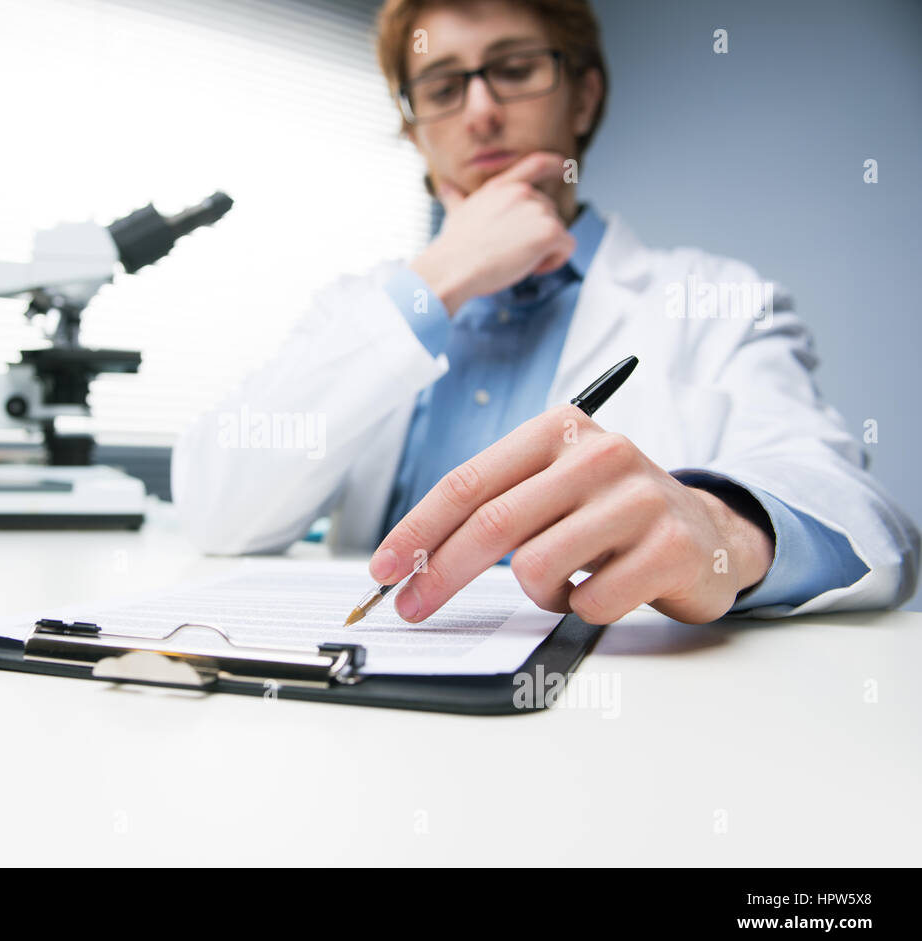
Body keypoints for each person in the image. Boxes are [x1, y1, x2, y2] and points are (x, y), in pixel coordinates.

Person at [169, 0, 918, 625]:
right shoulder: (365, 305)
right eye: (441, 87)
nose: (482, 112)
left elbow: (863, 525)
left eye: (515, 70)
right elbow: (215, 507)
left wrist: (720, 527)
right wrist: (439, 278)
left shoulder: (718, 301)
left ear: (583, 97)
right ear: (415, 130)